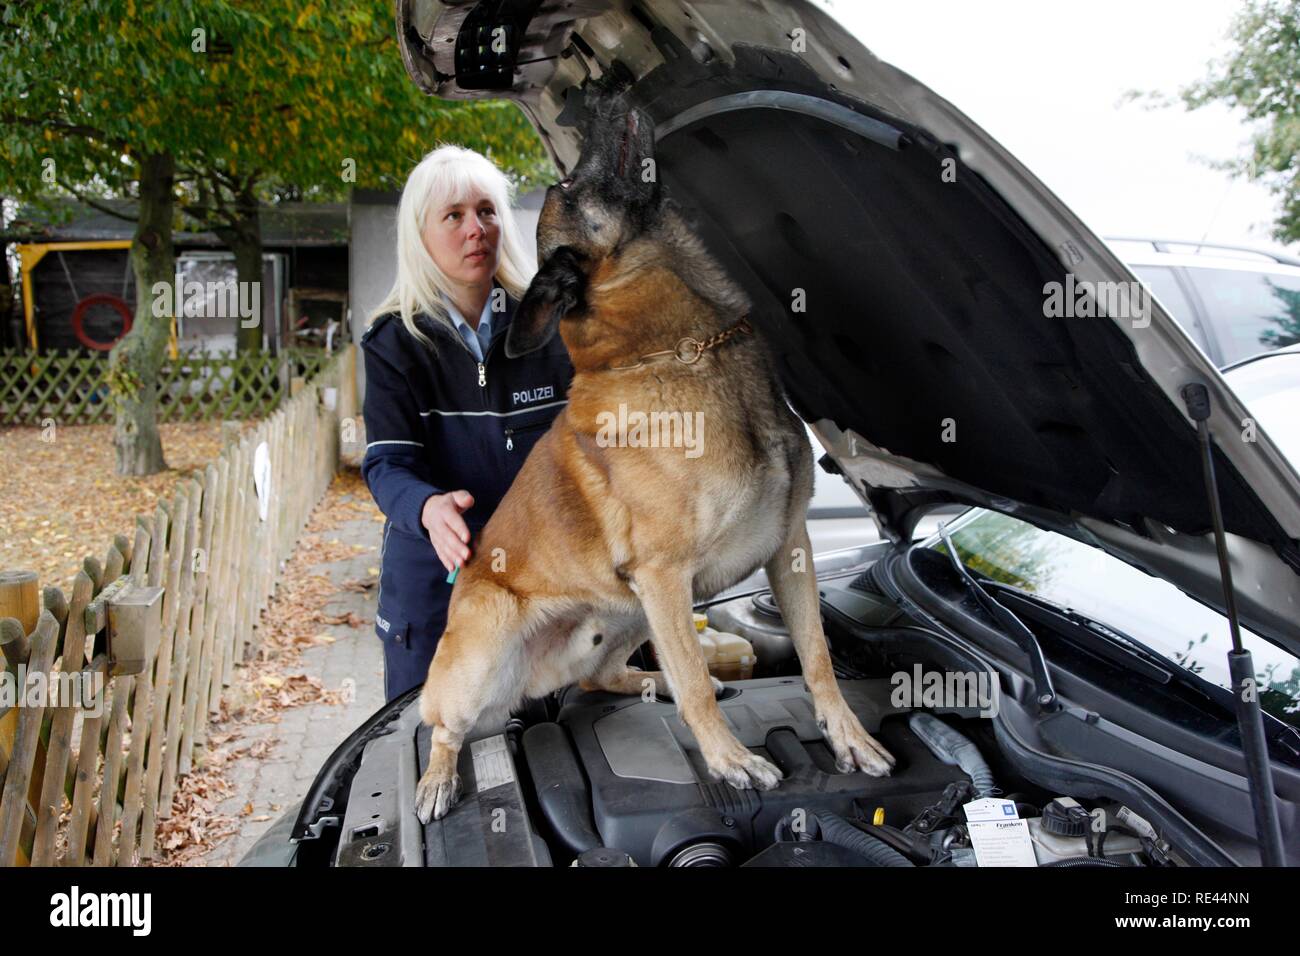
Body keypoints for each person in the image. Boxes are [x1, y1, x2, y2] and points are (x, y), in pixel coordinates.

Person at [360, 145, 573, 702]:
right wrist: (427, 508)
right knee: (429, 748)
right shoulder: (393, 344)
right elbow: (388, 462)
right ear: (421, 236)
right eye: (453, 216)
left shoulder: (556, 325)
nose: (474, 228)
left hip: (548, 584)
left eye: (487, 210)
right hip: (436, 590)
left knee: (551, 749)